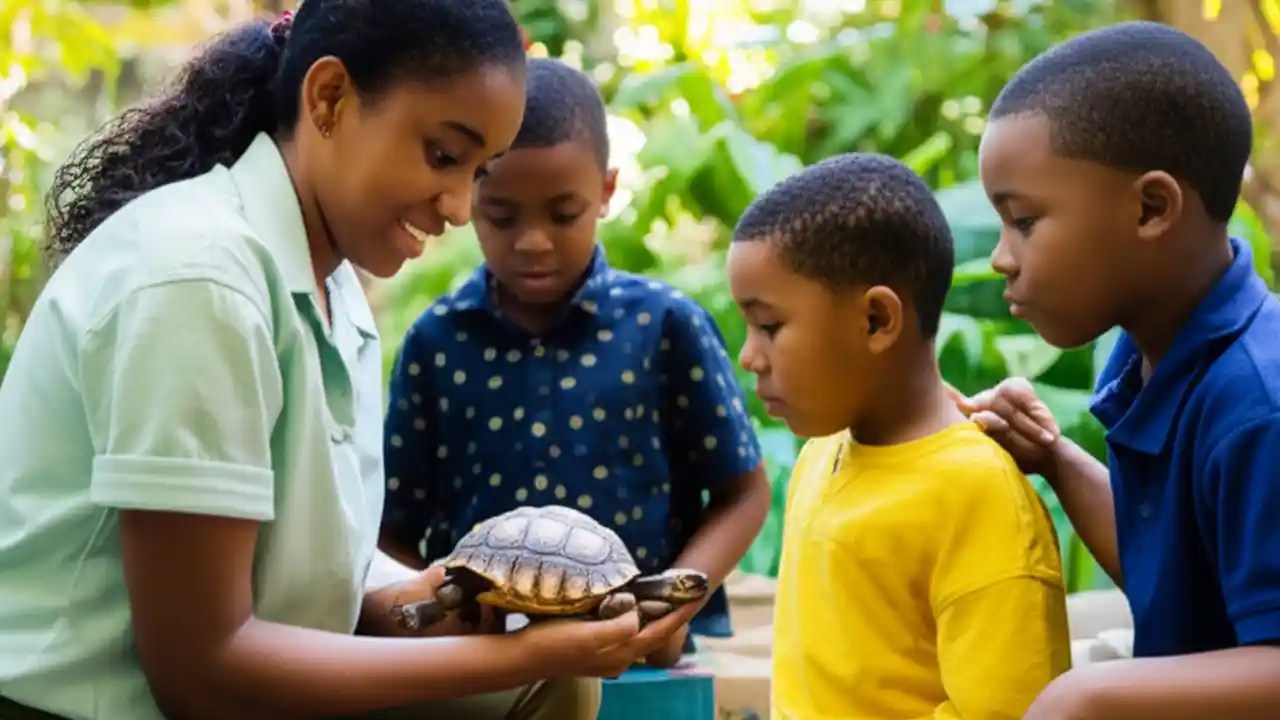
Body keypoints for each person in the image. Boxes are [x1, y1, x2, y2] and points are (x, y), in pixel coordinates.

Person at [0, 3, 675, 719]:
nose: (455, 207)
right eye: (445, 155)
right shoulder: (200, 276)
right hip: (89, 704)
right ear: (328, 98)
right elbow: (201, 673)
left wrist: (440, 594)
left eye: (480, 172)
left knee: (558, 684)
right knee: (535, 673)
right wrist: (517, 653)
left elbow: (309, 580)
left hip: (228, 685)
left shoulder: (334, 290)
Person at [380, 57, 770, 667]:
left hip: (640, 652)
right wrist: (437, 621)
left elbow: (743, 492)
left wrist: (672, 605)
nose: (532, 240)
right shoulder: (435, 343)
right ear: (468, 196)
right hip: (481, 671)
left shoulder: (665, 326)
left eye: (563, 214)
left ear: (606, 192)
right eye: (502, 217)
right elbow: (392, 532)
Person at [955, 20, 1280, 718]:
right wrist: (1057, 460)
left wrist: (1093, 695)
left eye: (1026, 221)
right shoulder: (1146, 357)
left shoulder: (1258, 404)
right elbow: (1177, 581)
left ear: (1151, 208)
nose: (1002, 258)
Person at [727, 152, 1072, 718]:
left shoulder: (976, 493)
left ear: (876, 321)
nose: (749, 356)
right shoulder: (820, 455)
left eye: (769, 327)